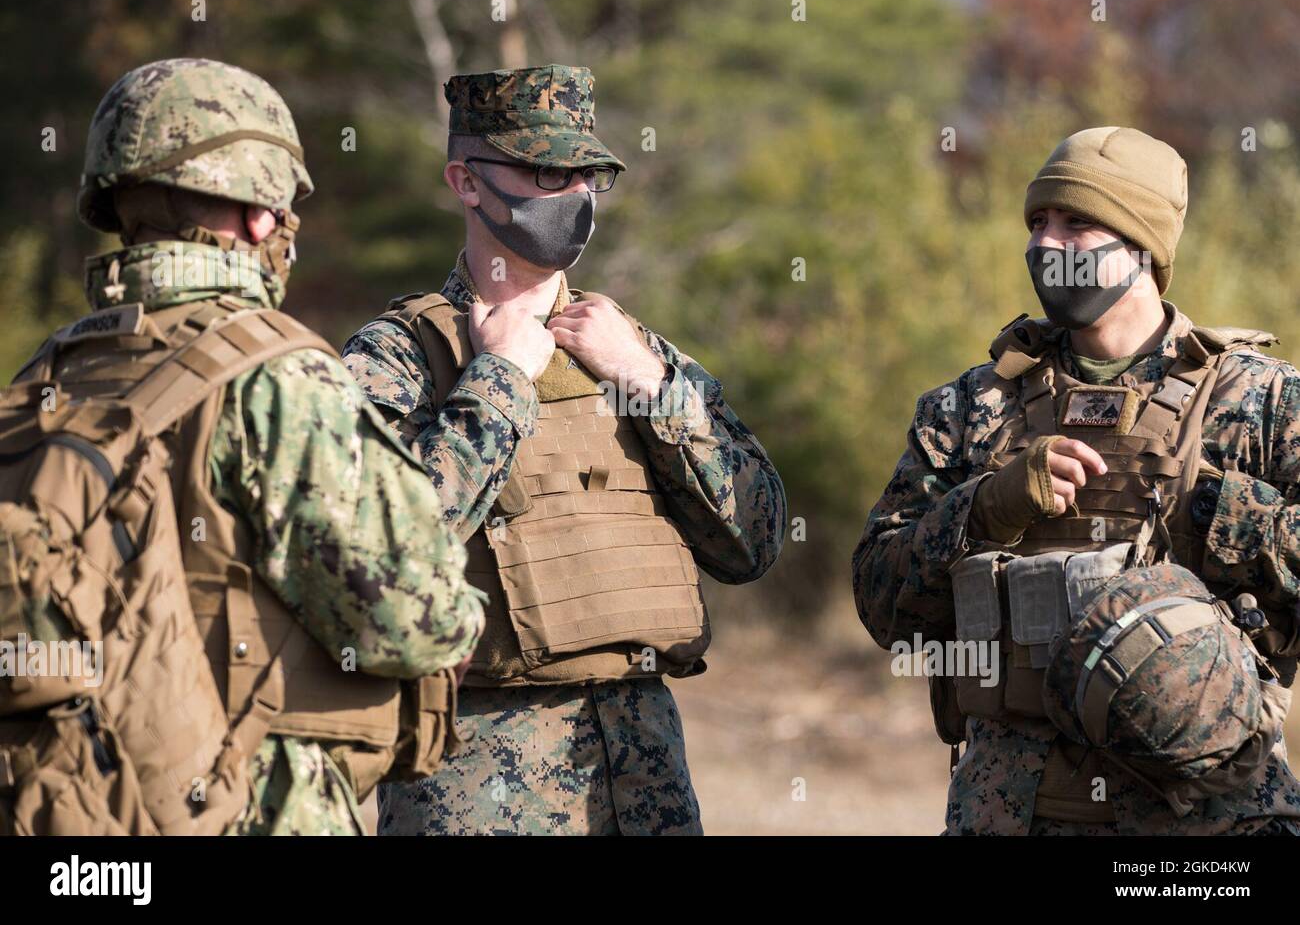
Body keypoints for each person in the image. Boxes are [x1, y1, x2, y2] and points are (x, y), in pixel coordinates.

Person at [16, 57, 485, 835]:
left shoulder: (46, 374)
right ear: (263, 214)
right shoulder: (279, 376)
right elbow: (414, 617)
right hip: (252, 807)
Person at [343, 63, 786, 835]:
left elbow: (755, 540)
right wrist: (498, 379)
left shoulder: (634, 351)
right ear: (467, 182)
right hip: (472, 776)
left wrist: (652, 386)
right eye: (547, 171)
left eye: (589, 175)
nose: (575, 196)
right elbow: (379, 549)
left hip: (643, 764)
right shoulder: (398, 358)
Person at [852, 126, 1300, 834]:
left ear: (1145, 245)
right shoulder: (969, 407)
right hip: (1009, 810)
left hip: (1208, 818)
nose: (1046, 244)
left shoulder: (1262, 402)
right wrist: (983, 508)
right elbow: (881, 603)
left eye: (1077, 222)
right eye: (1037, 222)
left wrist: (1217, 512)